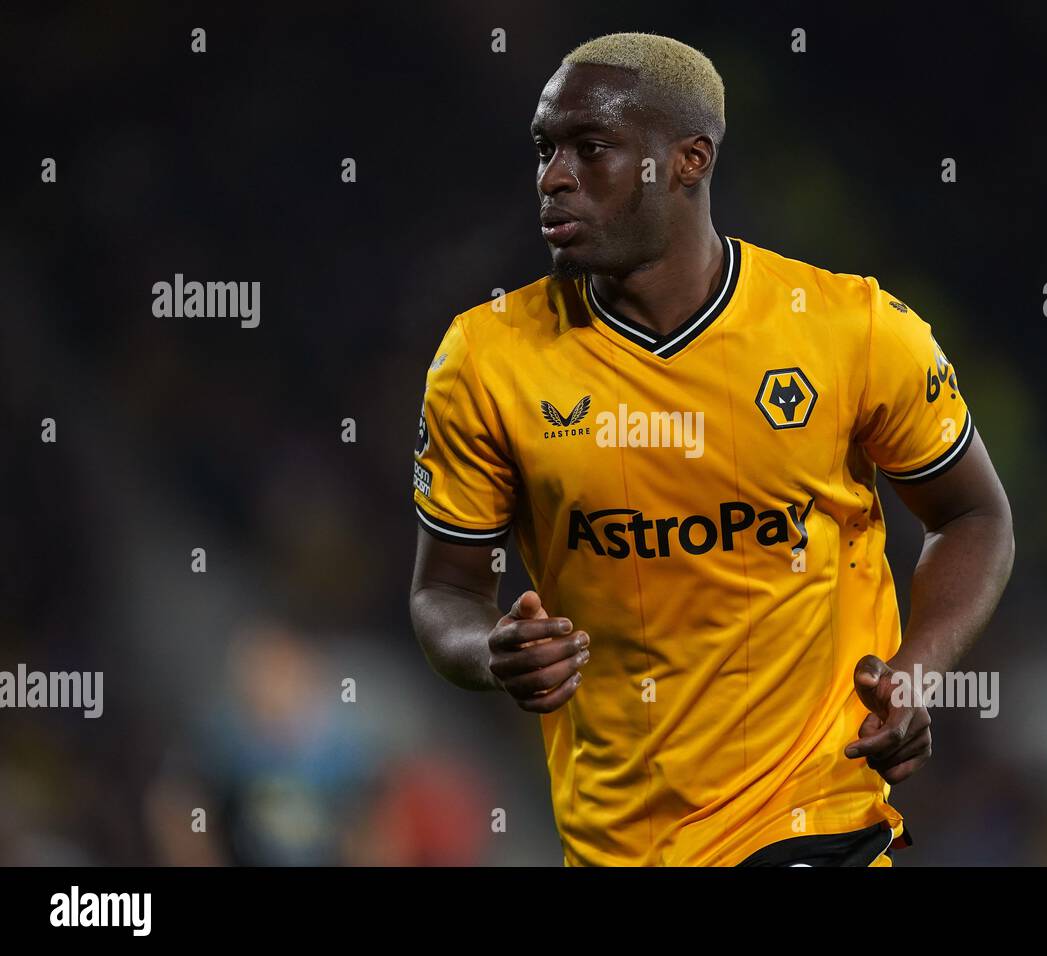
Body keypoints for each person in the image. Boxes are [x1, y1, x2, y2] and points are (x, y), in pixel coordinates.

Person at [408, 32, 1014, 866]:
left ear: (689, 160)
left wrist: (914, 673)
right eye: (546, 149)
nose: (552, 177)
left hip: (816, 817)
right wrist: (493, 652)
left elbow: (974, 514)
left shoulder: (853, 331)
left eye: (592, 149)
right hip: (616, 841)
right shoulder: (486, 358)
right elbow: (445, 590)